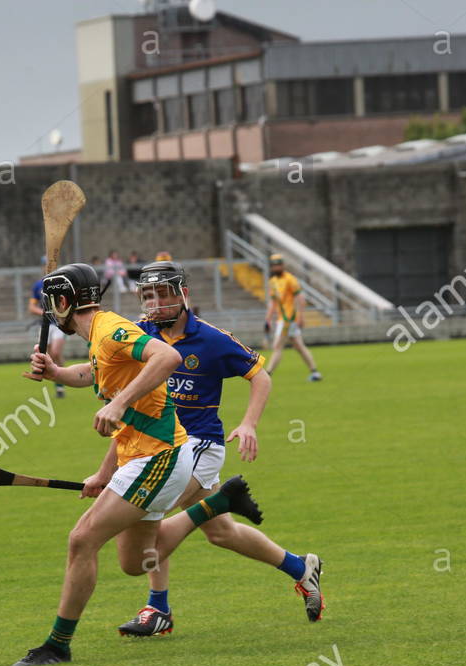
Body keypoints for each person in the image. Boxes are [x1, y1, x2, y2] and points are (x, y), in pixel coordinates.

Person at [14, 263, 263, 666]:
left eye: (50, 305)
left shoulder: (112, 330)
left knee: (81, 540)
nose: (49, 313)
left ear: (62, 302)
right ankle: (215, 503)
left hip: (158, 456)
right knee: (136, 562)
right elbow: (96, 372)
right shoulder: (100, 335)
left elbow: (166, 357)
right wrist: (58, 373)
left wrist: (119, 402)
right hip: (142, 455)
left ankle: (57, 645)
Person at [117, 261, 323, 636]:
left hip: (199, 445)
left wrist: (248, 424)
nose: (154, 302)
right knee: (221, 533)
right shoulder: (140, 332)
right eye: (148, 294)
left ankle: (157, 608)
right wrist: (58, 372)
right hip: (158, 445)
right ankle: (301, 567)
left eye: (163, 293)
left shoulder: (212, 339)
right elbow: (97, 365)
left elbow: (260, 376)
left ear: (183, 296)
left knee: (148, 510)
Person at [265, 254, 322, 381]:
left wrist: (301, 317)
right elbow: (273, 303)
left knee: (277, 346)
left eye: (279, 264)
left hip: (289, 319)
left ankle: (267, 374)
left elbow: (300, 298)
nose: (276, 267)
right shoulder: (273, 282)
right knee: (299, 346)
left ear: (283, 265)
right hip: (282, 319)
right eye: (274, 265)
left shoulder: (290, 279)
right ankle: (314, 371)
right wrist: (268, 319)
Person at [28, 272, 65, 399]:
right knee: (48, 356)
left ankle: (61, 383)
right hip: (44, 325)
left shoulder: (60, 284)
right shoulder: (38, 285)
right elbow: (32, 307)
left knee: (55, 353)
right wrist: (44, 313)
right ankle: (58, 386)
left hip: (58, 324)